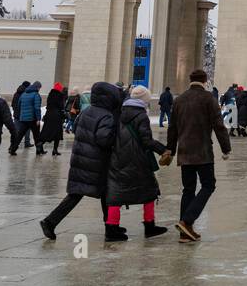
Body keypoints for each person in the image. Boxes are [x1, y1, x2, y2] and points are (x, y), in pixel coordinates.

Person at [40, 81, 121, 238]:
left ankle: (111, 228)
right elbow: (104, 139)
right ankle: (110, 228)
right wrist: (114, 138)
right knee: (106, 194)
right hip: (96, 162)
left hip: (80, 158)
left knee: (80, 194)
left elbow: (76, 128)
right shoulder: (106, 116)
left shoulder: (87, 111)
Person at [163, 68, 231, 243]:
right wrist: (226, 148)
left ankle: (185, 232)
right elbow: (218, 125)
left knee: (188, 189)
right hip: (202, 152)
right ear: (205, 80)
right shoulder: (209, 98)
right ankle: (187, 221)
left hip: (185, 151)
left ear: (190, 80)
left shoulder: (179, 100)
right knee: (209, 185)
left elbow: (173, 128)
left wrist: (171, 149)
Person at [104, 85, 169, 242]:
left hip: (118, 158)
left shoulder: (118, 113)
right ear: (144, 101)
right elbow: (146, 141)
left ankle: (111, 228)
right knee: (149, 191)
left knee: (116, 194)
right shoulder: (141, 116)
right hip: (137, 159)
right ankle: (149, 225)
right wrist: (163, 149)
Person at [10, 80, 43, 155]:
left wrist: (22, 115)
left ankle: (13, 149)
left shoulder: (24, 94)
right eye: (39, 88)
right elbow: (37, 108)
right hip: (32, 119)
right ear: (37, 87)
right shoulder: (36, 95)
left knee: (20, 135)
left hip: (23, 119)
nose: (39, 89)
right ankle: (39, 151)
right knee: (36, 135)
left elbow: (19, 105)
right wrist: (38, 119)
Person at [40, 82, 67, 156]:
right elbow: (61, 106)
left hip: (49, 115)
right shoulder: (60, 95)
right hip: (56, 116)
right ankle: (55, 150)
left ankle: (40, 145)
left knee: (47, 131)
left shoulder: (50, 95)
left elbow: (48, 105)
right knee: (57, 133)